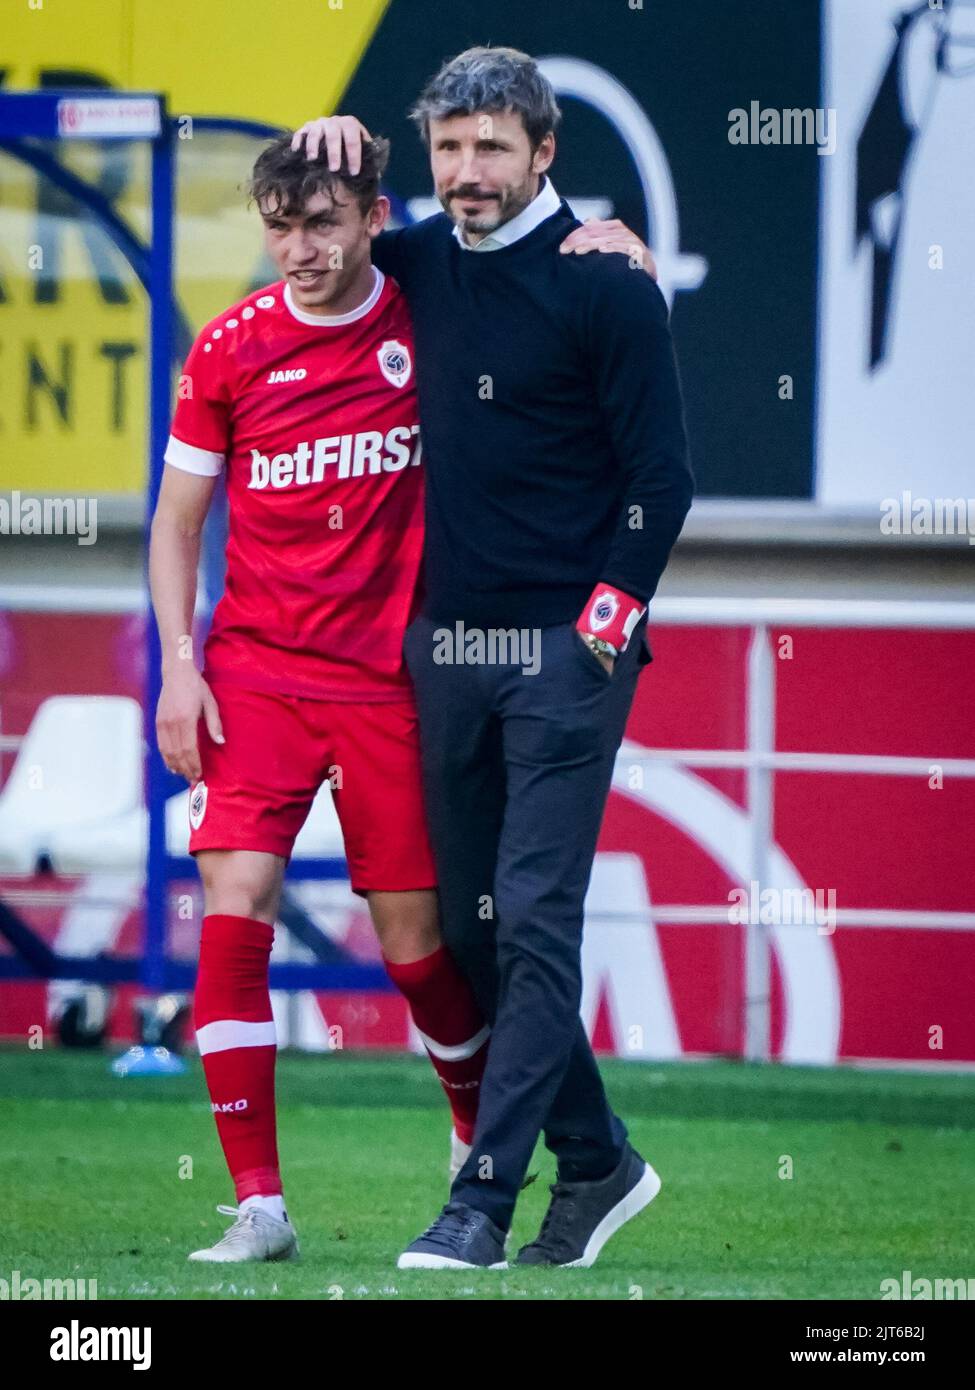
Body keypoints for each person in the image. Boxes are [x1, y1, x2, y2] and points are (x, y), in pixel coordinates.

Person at [295, 45, 694, 1271]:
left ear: (545, 154)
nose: (466, 174)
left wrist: (600, 631)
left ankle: (480, 1199)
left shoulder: (606, 287)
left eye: (492, 150)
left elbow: (662, 483)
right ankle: (601, 1164)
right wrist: (325, 137)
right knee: (473, 928)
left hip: (568, 650)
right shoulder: (412, 261)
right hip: (442, 648)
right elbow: (315, 235)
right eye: (449, 149)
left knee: (530, 921)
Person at [149, 133, 491, 1263]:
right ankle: (258, 1203)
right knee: (233, 904)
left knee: (413, 948)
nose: (300, 248)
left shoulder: (428, 316)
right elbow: (177, 522)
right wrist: (179, 663)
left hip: (389, 682)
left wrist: (612, 235)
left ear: (375, 215)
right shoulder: (232, 347)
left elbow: (511, 218)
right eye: (281, 225)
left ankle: (472, 1136)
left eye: (324, 222)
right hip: (255, 674)